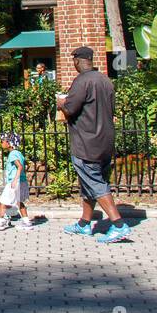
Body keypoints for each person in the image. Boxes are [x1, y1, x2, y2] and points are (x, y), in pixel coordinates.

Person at [57, 46, 131, 244]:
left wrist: (61, 103)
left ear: (77, 61)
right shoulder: (105, 81)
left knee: (96, 183)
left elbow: (71, 109)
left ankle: (118, 225)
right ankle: (84, 223)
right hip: (105, 141)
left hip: (86, 142)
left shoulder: (82, 81)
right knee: (89, 183)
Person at [0, 132, 33, 231]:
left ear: (9, 143)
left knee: (3, 202)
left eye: (2, 141)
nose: (1, 143)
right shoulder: (19, 153)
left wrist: (14, 180)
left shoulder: (13, 154)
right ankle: (26, 222)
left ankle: (0, 222)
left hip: (14, 182)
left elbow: (20, 167)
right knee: (19, 202)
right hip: (21, 181)